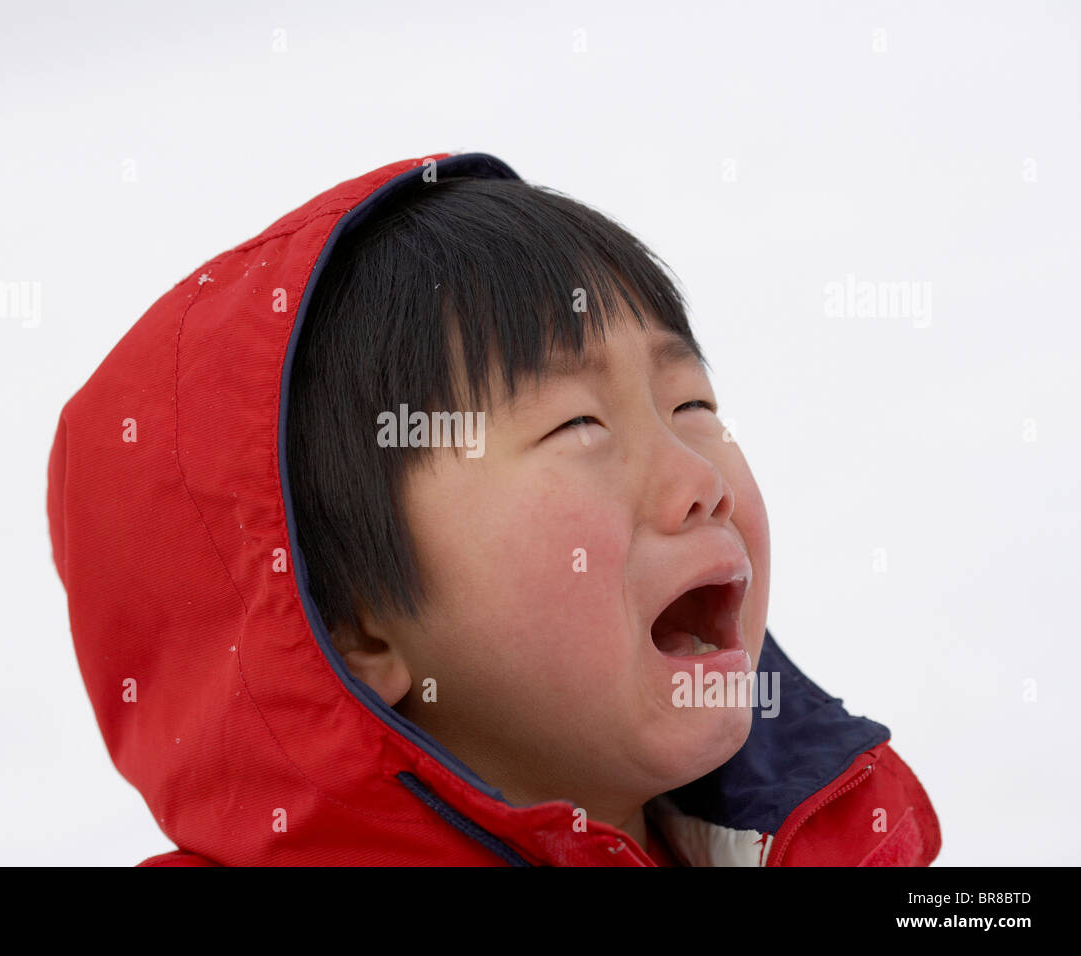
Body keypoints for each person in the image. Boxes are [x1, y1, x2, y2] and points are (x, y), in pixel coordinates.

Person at [46, 151, 940, 866]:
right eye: (577, 424)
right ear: (354, 625)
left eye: (692, 406)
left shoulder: (818, 838)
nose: (695, 477)